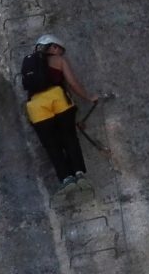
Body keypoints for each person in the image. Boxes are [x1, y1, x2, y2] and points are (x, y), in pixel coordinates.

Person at [20, 35, 98, 188]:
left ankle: (66, 179)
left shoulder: (29, 63)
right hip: (58, 99)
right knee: (69, 138)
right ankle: (79, 174)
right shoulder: (58, 60)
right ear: (54, 47)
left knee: (52, 145)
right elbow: (73, 83)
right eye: (60, 50)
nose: (61, 54)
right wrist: (89, 97)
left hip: (36, 106)